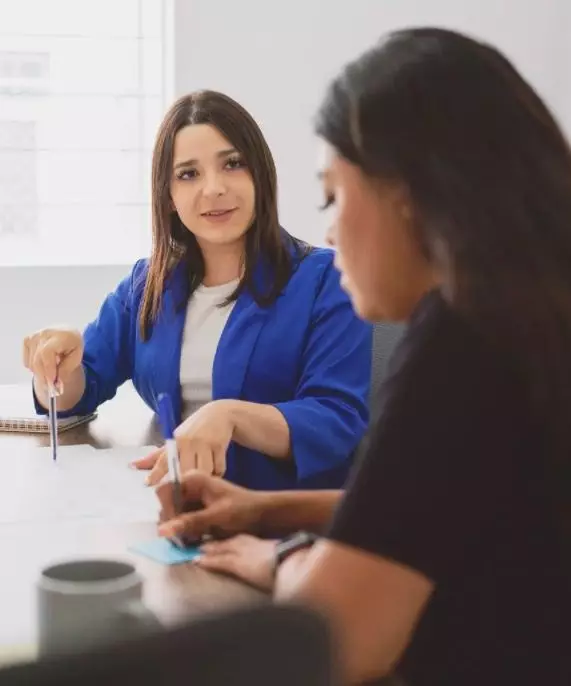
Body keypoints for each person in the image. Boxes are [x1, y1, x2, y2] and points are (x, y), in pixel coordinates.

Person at [156, 28, 571, 686]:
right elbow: (441, 502)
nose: (328, 227)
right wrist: (267, 510)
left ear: (406, 194)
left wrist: (280, 556)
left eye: (332, 195)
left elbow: (335, 638)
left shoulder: (461, 342)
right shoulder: (529, 316)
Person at [22, 90, 372, 492]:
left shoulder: (327, 280)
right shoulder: (146, 284)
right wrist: (57, 367)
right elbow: (78, 394)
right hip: (173, 507)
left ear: (260, 174)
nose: (214, 188)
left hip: (280, 522)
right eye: (188, 174)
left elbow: (336, 420)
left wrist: (232, 417)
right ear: (168, 197)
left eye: (233, 164)